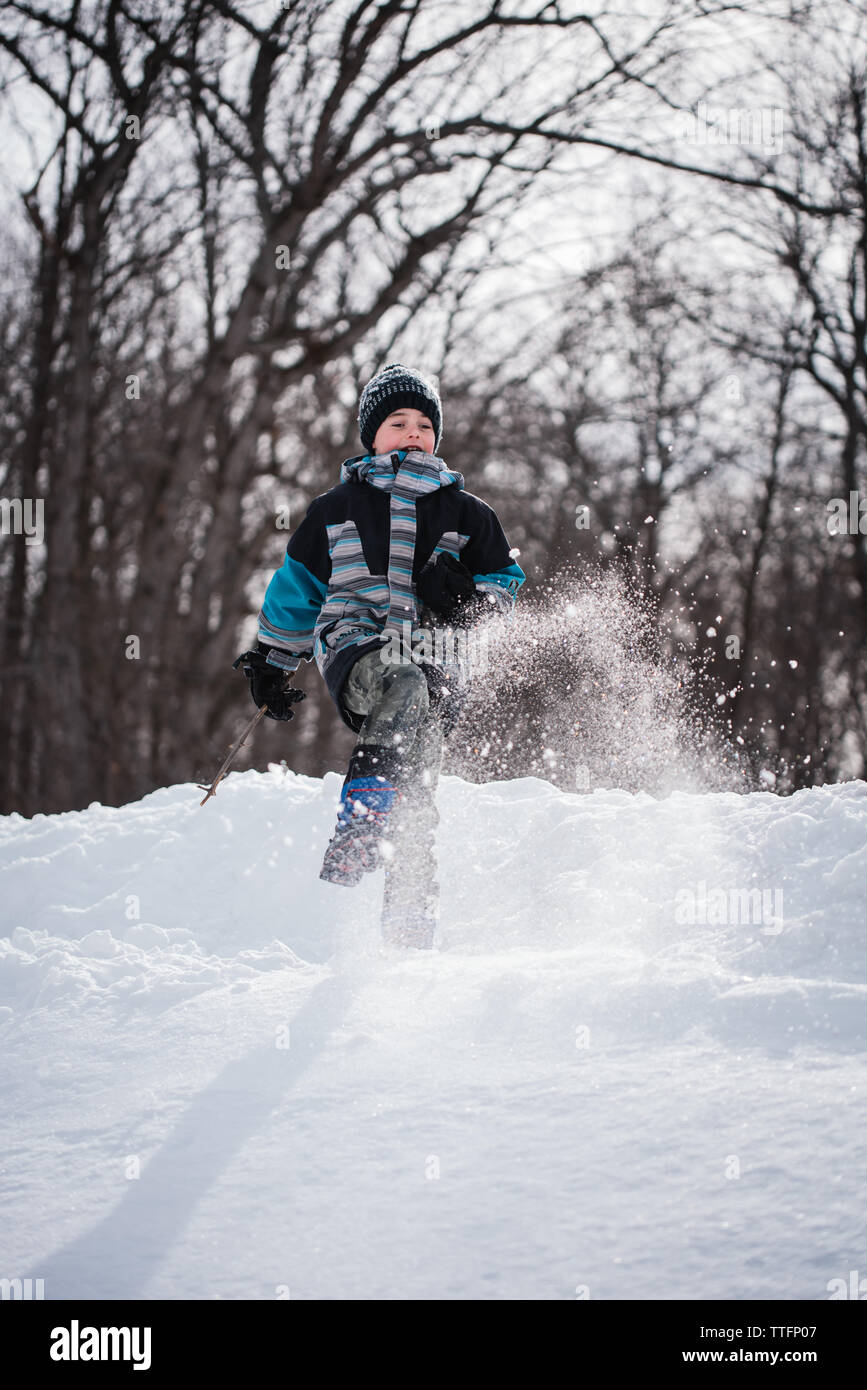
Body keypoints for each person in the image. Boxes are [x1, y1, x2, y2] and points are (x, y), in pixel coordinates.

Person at [235, 363, 525, 948]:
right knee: (403, 682)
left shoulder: (467, 513)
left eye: (424, 424)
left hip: (437, 658)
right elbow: (296, 593)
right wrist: (271, 661)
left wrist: (471, 598)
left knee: (418, 798)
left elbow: (506, 587)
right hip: (357, 648)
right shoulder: (336, 508)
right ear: (372, 435)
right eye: (398, 423)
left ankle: (408, 925)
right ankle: (362, 818)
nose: (413, 434)